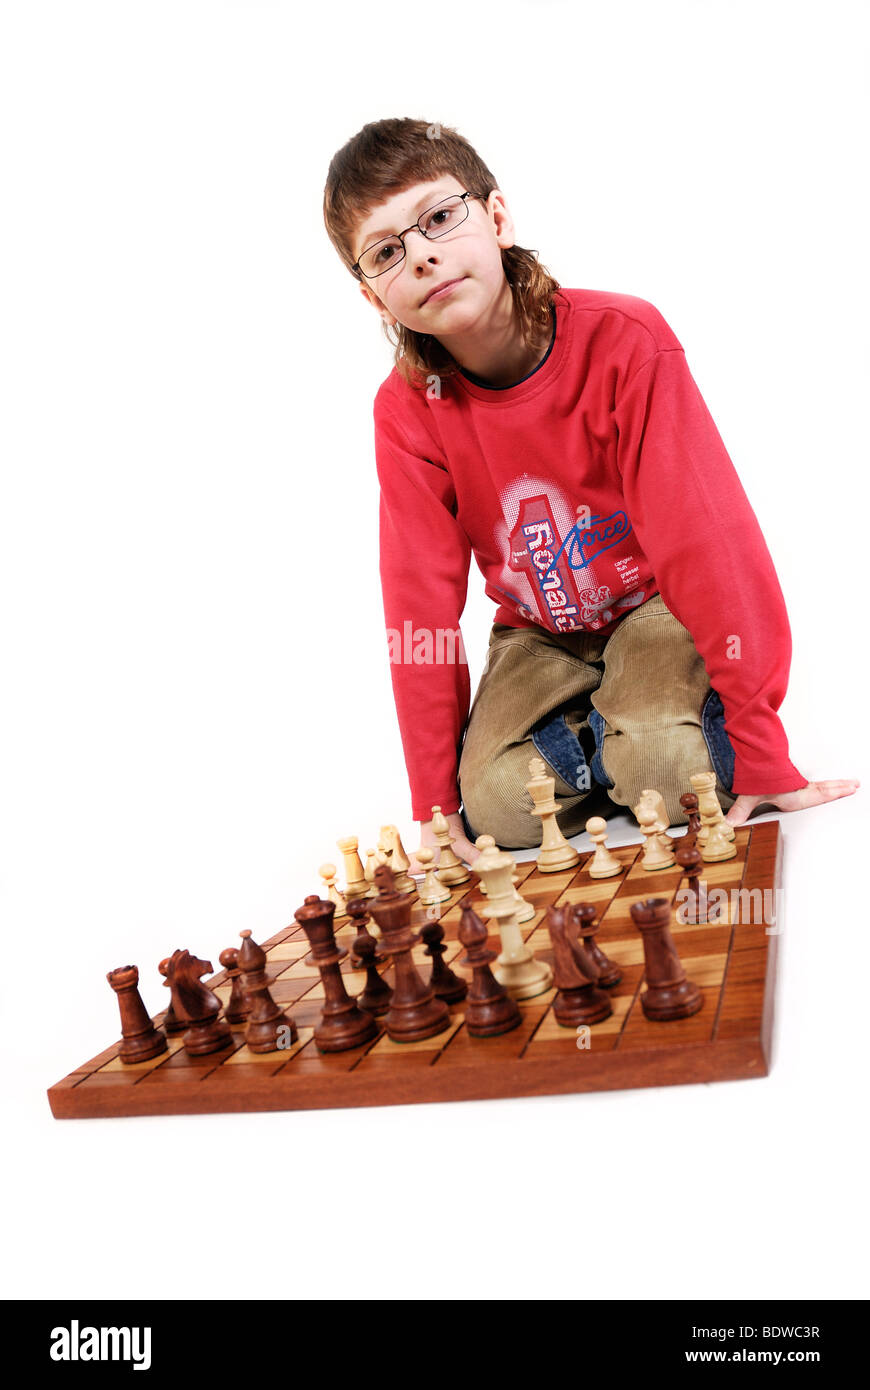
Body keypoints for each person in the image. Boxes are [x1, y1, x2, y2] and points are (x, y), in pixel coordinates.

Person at [322, 117, 858, 868]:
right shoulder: (406, 410)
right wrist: (438, 813)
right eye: (386, 251)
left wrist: (762, 747)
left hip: (656, 605)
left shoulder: (624, 340)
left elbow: (709, 544)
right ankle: (622, 728)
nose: (423, 255)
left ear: (498, 218)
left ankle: (642, 730)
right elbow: (420, 609)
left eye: (440, 217)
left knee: (673, 777)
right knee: (500, 808)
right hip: (540, 633)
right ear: (374, 298)